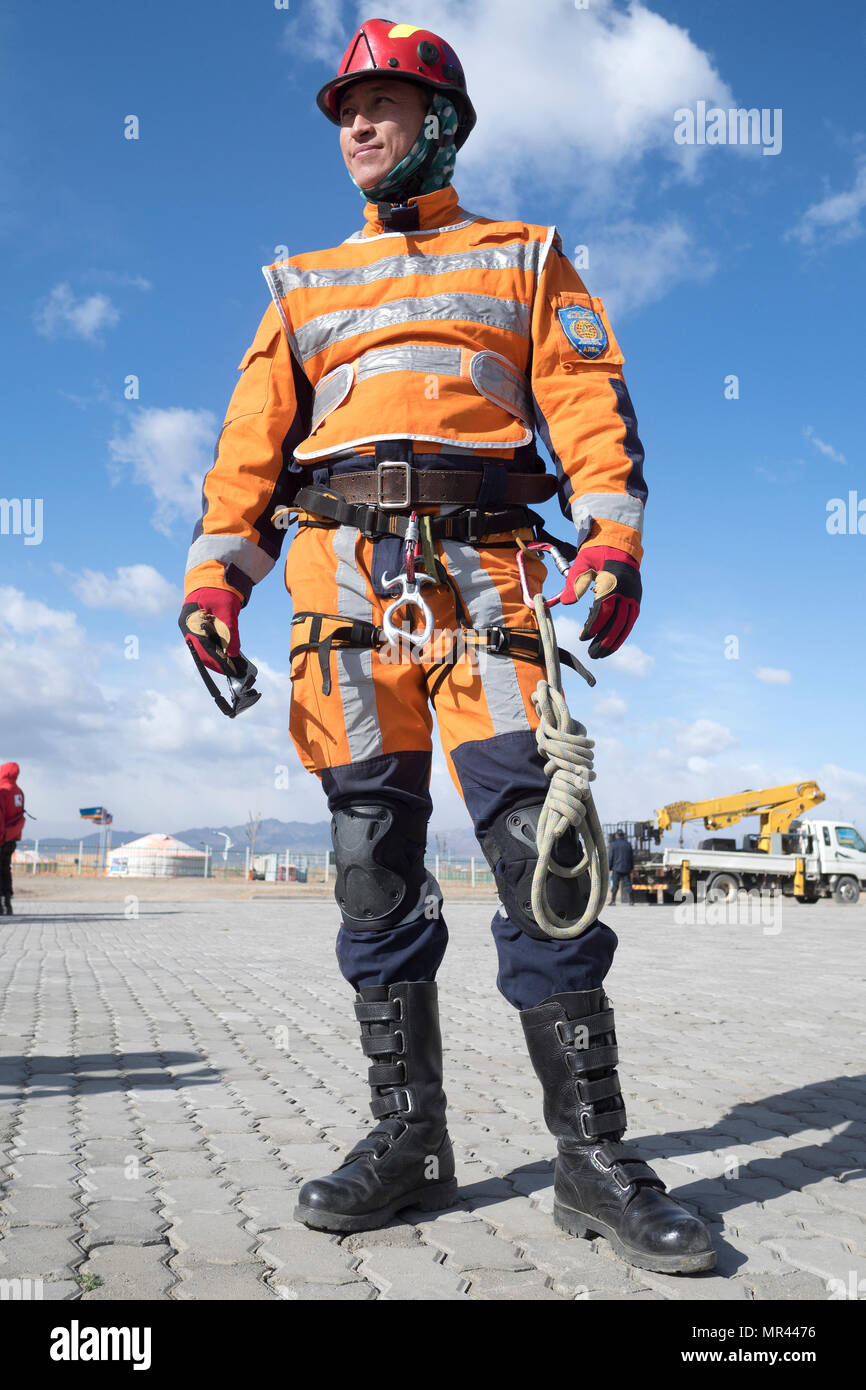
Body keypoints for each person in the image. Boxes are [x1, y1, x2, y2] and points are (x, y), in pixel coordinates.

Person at [179, 18, 714, 1273]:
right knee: (373, 867)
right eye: (344, 109)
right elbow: (246, 453)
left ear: (443, 120)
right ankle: (409, 1141)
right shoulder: (297, 283)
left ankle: (590, 1157)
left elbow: (589, 403)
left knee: (544, 855)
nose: (356, 125)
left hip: (488, 580)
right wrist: (216, 579)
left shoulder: (525, 256)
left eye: (383, 103)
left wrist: (612, 536)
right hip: (336, 593)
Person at [0, 762, 25, 916]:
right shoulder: (19, 792)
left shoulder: (3, 791)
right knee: (5, 870)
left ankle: (1, 905)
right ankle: (7, 904)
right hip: (12, 838)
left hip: (2, 837)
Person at [608, 829, 634, 905]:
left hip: (616, 869)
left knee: (615, 885)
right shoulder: (628, 844)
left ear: (616, 835)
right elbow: (631, 858)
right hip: (626, 869)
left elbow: (610, 857)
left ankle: (613, 901)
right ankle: (631, 901)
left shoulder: (613, 844)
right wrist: (631, 868)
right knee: (628, 885)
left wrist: (609, 867)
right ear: (623, 835)